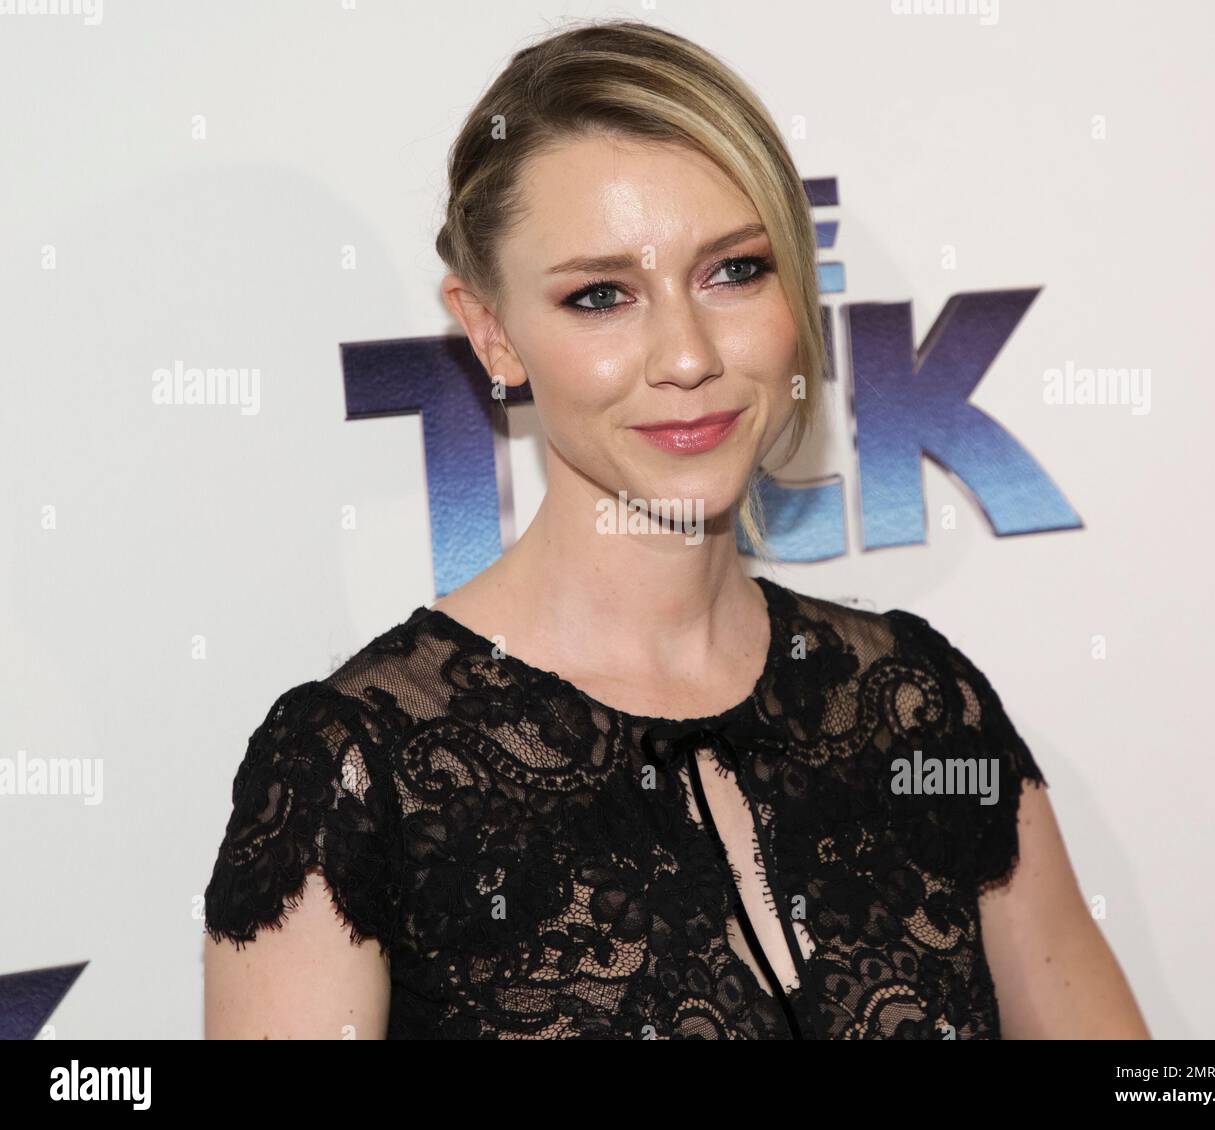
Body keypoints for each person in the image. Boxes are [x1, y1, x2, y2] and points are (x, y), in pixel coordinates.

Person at [202, 17, 1149, 1040]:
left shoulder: (918, 706)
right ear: (492, 332)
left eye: (734, 271)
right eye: (601, 295)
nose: (687, 353)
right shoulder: (357, 770)